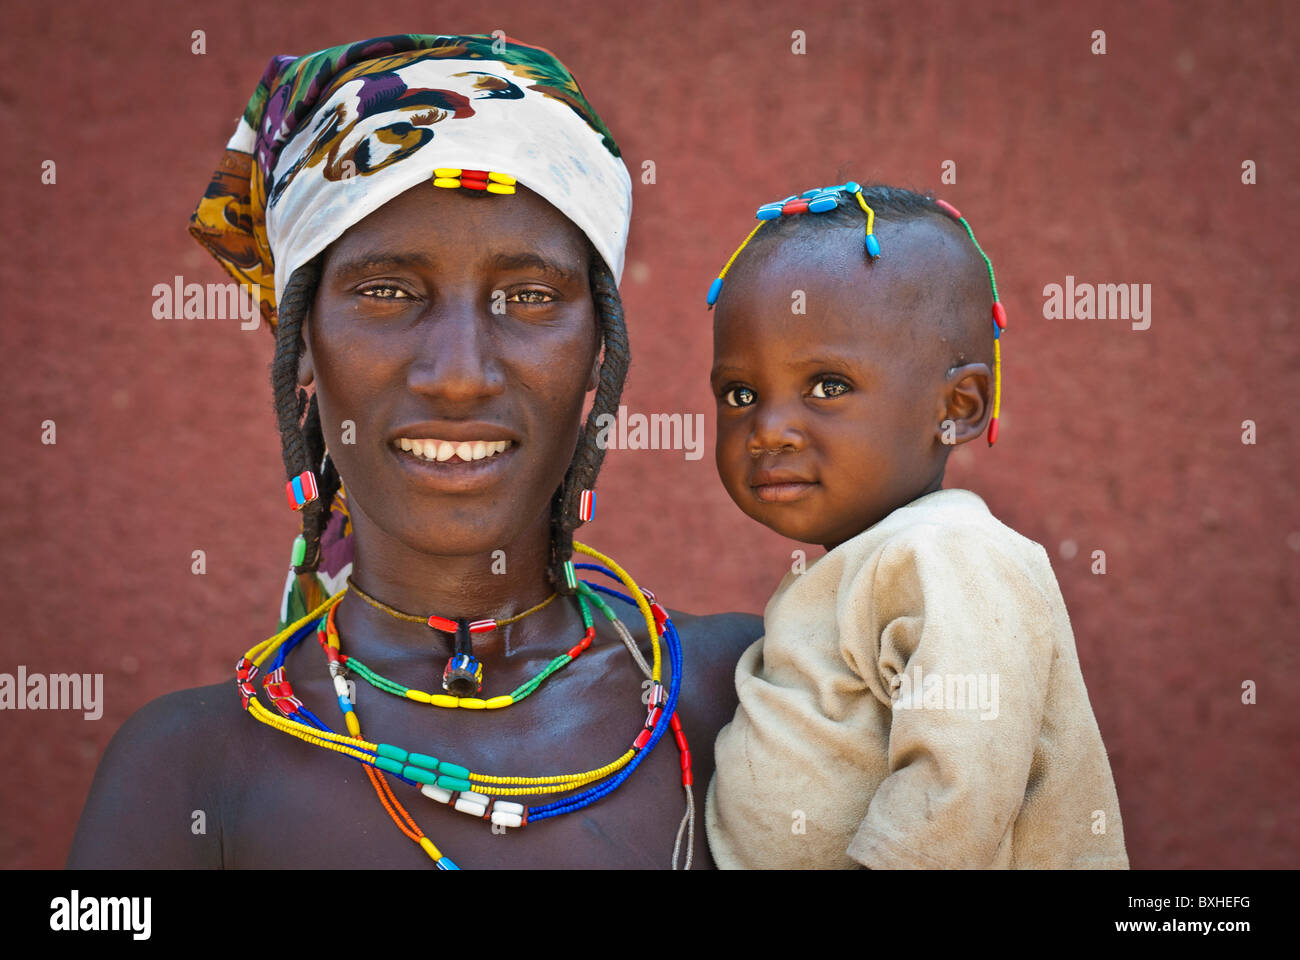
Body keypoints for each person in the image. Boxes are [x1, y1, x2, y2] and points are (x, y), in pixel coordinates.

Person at [67, 33, 760, 870]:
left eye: (531, 295)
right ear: (303, 349)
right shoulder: (187, 773)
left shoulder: (747, 694)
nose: (459, 376)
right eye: (387, 291)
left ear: (599, 352)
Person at [702, 182, 1129, 868]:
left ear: (958, 406)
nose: (769, 430)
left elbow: (958, 785)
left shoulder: (953, 554)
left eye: (828, 385)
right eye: (741, 395)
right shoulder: (858, 569)